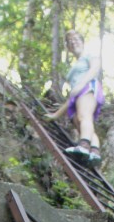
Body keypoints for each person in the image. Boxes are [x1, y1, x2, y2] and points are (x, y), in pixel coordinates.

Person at [45, 29, 105, 166]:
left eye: (76, 39)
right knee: (81, 122)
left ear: (83, 42)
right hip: (78, 93)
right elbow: (71, 97)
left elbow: (95, 68)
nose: (73, 43)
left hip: (87, 88)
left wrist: (81, 84)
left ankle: (84, 146)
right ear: (68, 48)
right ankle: (94, 152)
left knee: (84, 117)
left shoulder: (89, 55)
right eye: (70, 42)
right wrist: (55, 115)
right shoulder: (76, 65)